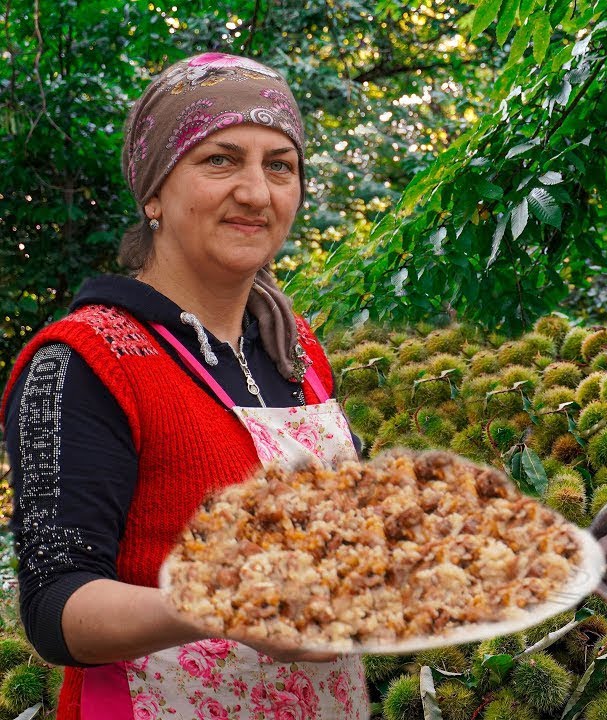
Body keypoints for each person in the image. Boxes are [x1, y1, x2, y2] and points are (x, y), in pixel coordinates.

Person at [2, 53, 368, 719]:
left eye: (279, 165)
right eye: (221, 160)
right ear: (154, 192)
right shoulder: (87, 360)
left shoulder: (297, 349)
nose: (257, 192)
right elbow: (55, 607)